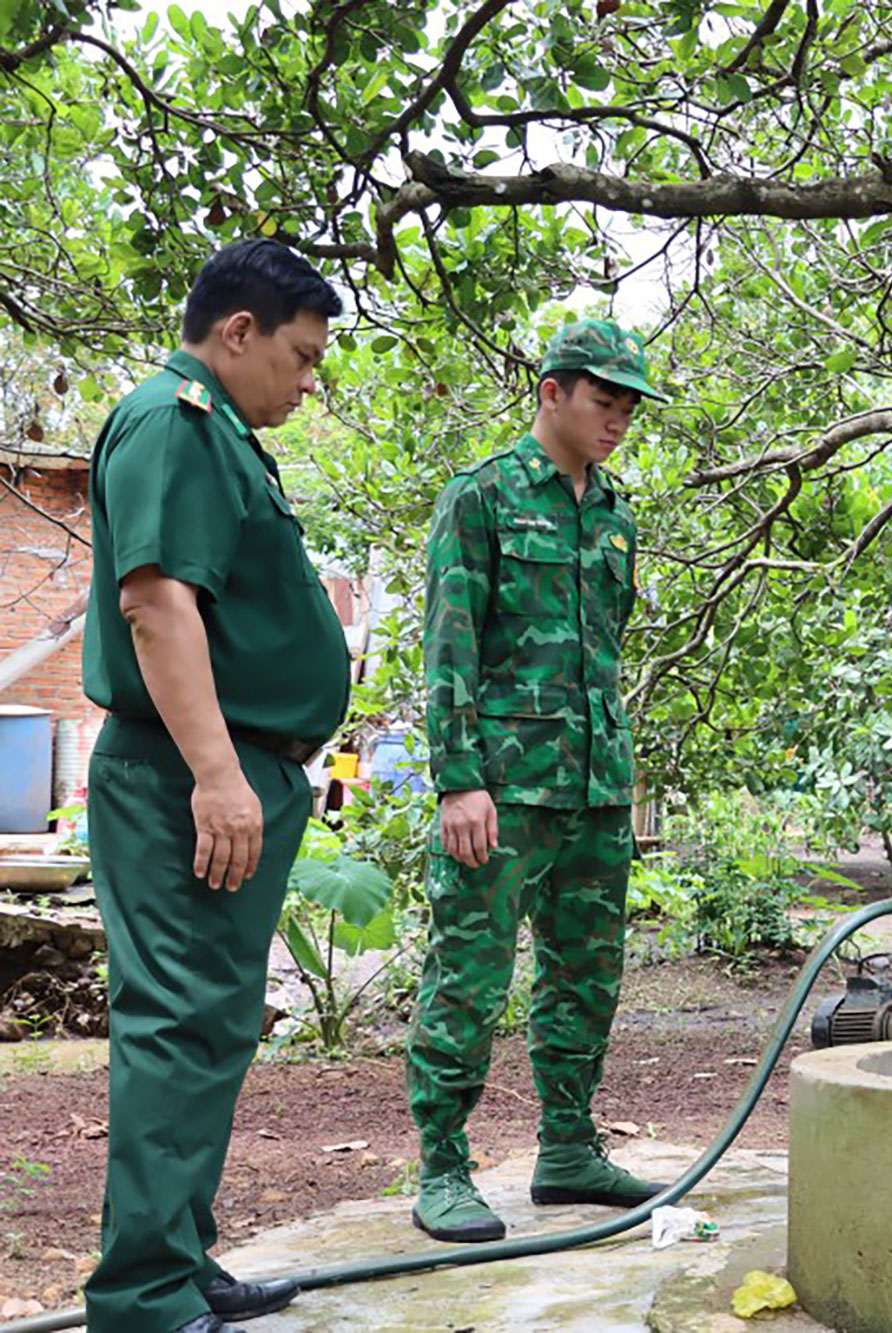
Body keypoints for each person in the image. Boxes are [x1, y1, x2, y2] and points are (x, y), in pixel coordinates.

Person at [81, 238, 345, 1333]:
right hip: (185, 779)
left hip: (230, 774)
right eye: (298, 354)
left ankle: (178, 1262)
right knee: (179, 1022)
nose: (307, 379)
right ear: (237, 332)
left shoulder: (221, 433)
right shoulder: (173, 421)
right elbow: (157, 604)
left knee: (215, 1024)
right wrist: (219, 775)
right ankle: (141, 1297)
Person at [405, 320, 667, 1242]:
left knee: (588, 971)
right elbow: (448, 645)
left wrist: (615, 773)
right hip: (503, 789)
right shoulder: (479, 499)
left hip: (595, 785)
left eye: (630, 406)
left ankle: (567, 1147)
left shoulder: (617, 513)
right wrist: (457, 779)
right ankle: (442, 1163)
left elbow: (609, 648)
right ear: (551, 392)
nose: (619, 420)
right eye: (605, 401)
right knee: (471, 973)